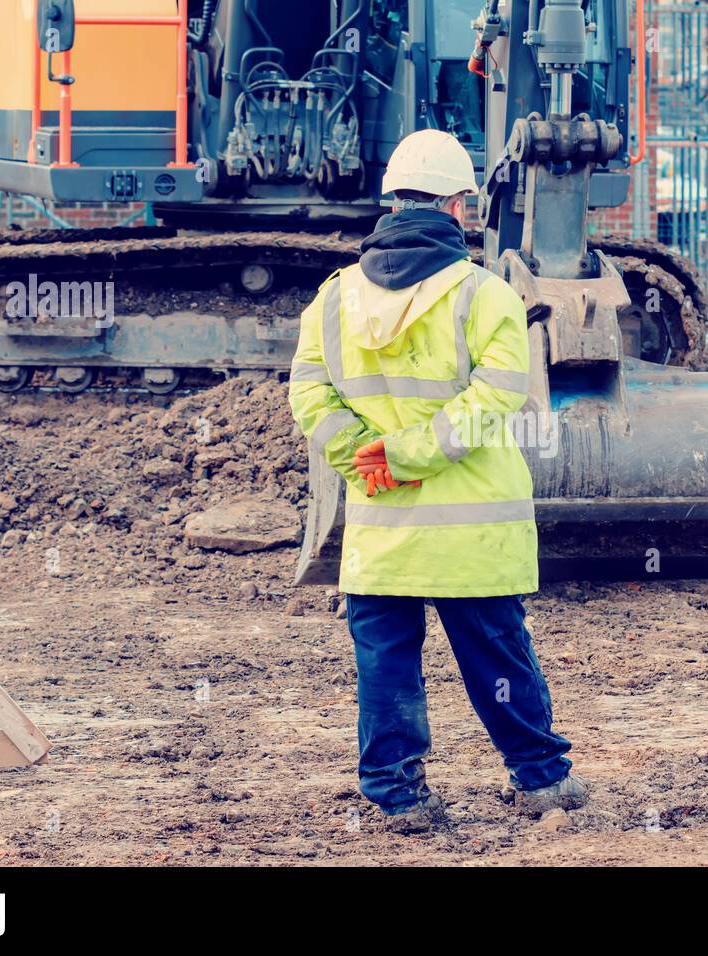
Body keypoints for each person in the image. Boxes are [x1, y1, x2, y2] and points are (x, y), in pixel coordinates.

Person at [288, 128, 587, 833]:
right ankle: (541, 779)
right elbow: (497, 400)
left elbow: (309, 397)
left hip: (380, 532)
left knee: (387, 665)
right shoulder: (486, 297)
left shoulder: (332, 300)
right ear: (459, 208)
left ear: (391, 202)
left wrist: (369, 455)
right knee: (496, 656)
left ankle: (396, 796)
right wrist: (412, 453)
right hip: (472, 533)